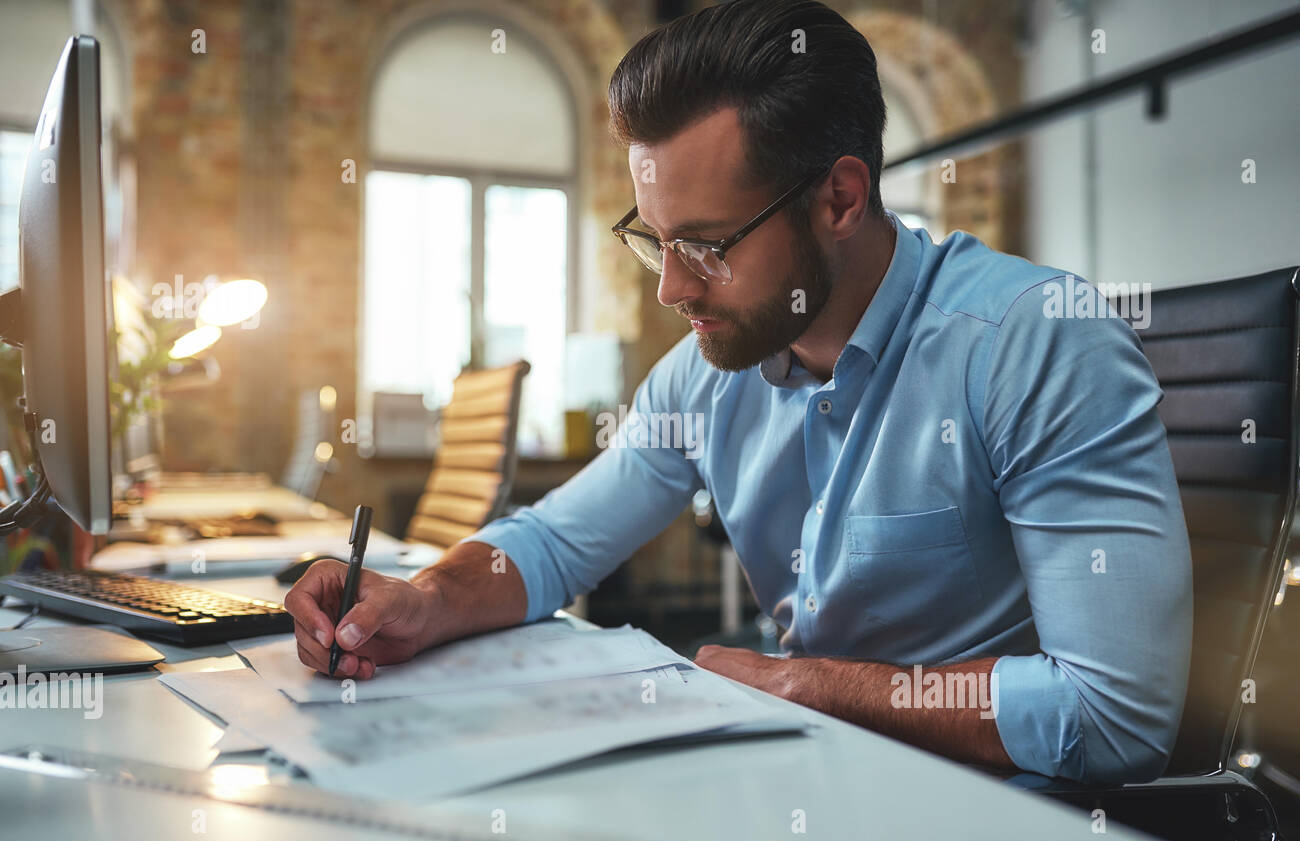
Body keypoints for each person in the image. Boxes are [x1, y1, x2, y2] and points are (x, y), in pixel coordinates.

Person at [286, 0, 1192, 785]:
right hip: (805, 777)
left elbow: (1113, 714)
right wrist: (427, 598)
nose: (671, 290)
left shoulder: (1036, 344)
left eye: (709, 246)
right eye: (657, 239)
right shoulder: (708, 367)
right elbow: (557, 540)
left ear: (840, 197)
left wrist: (802, 682)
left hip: (994, 815)